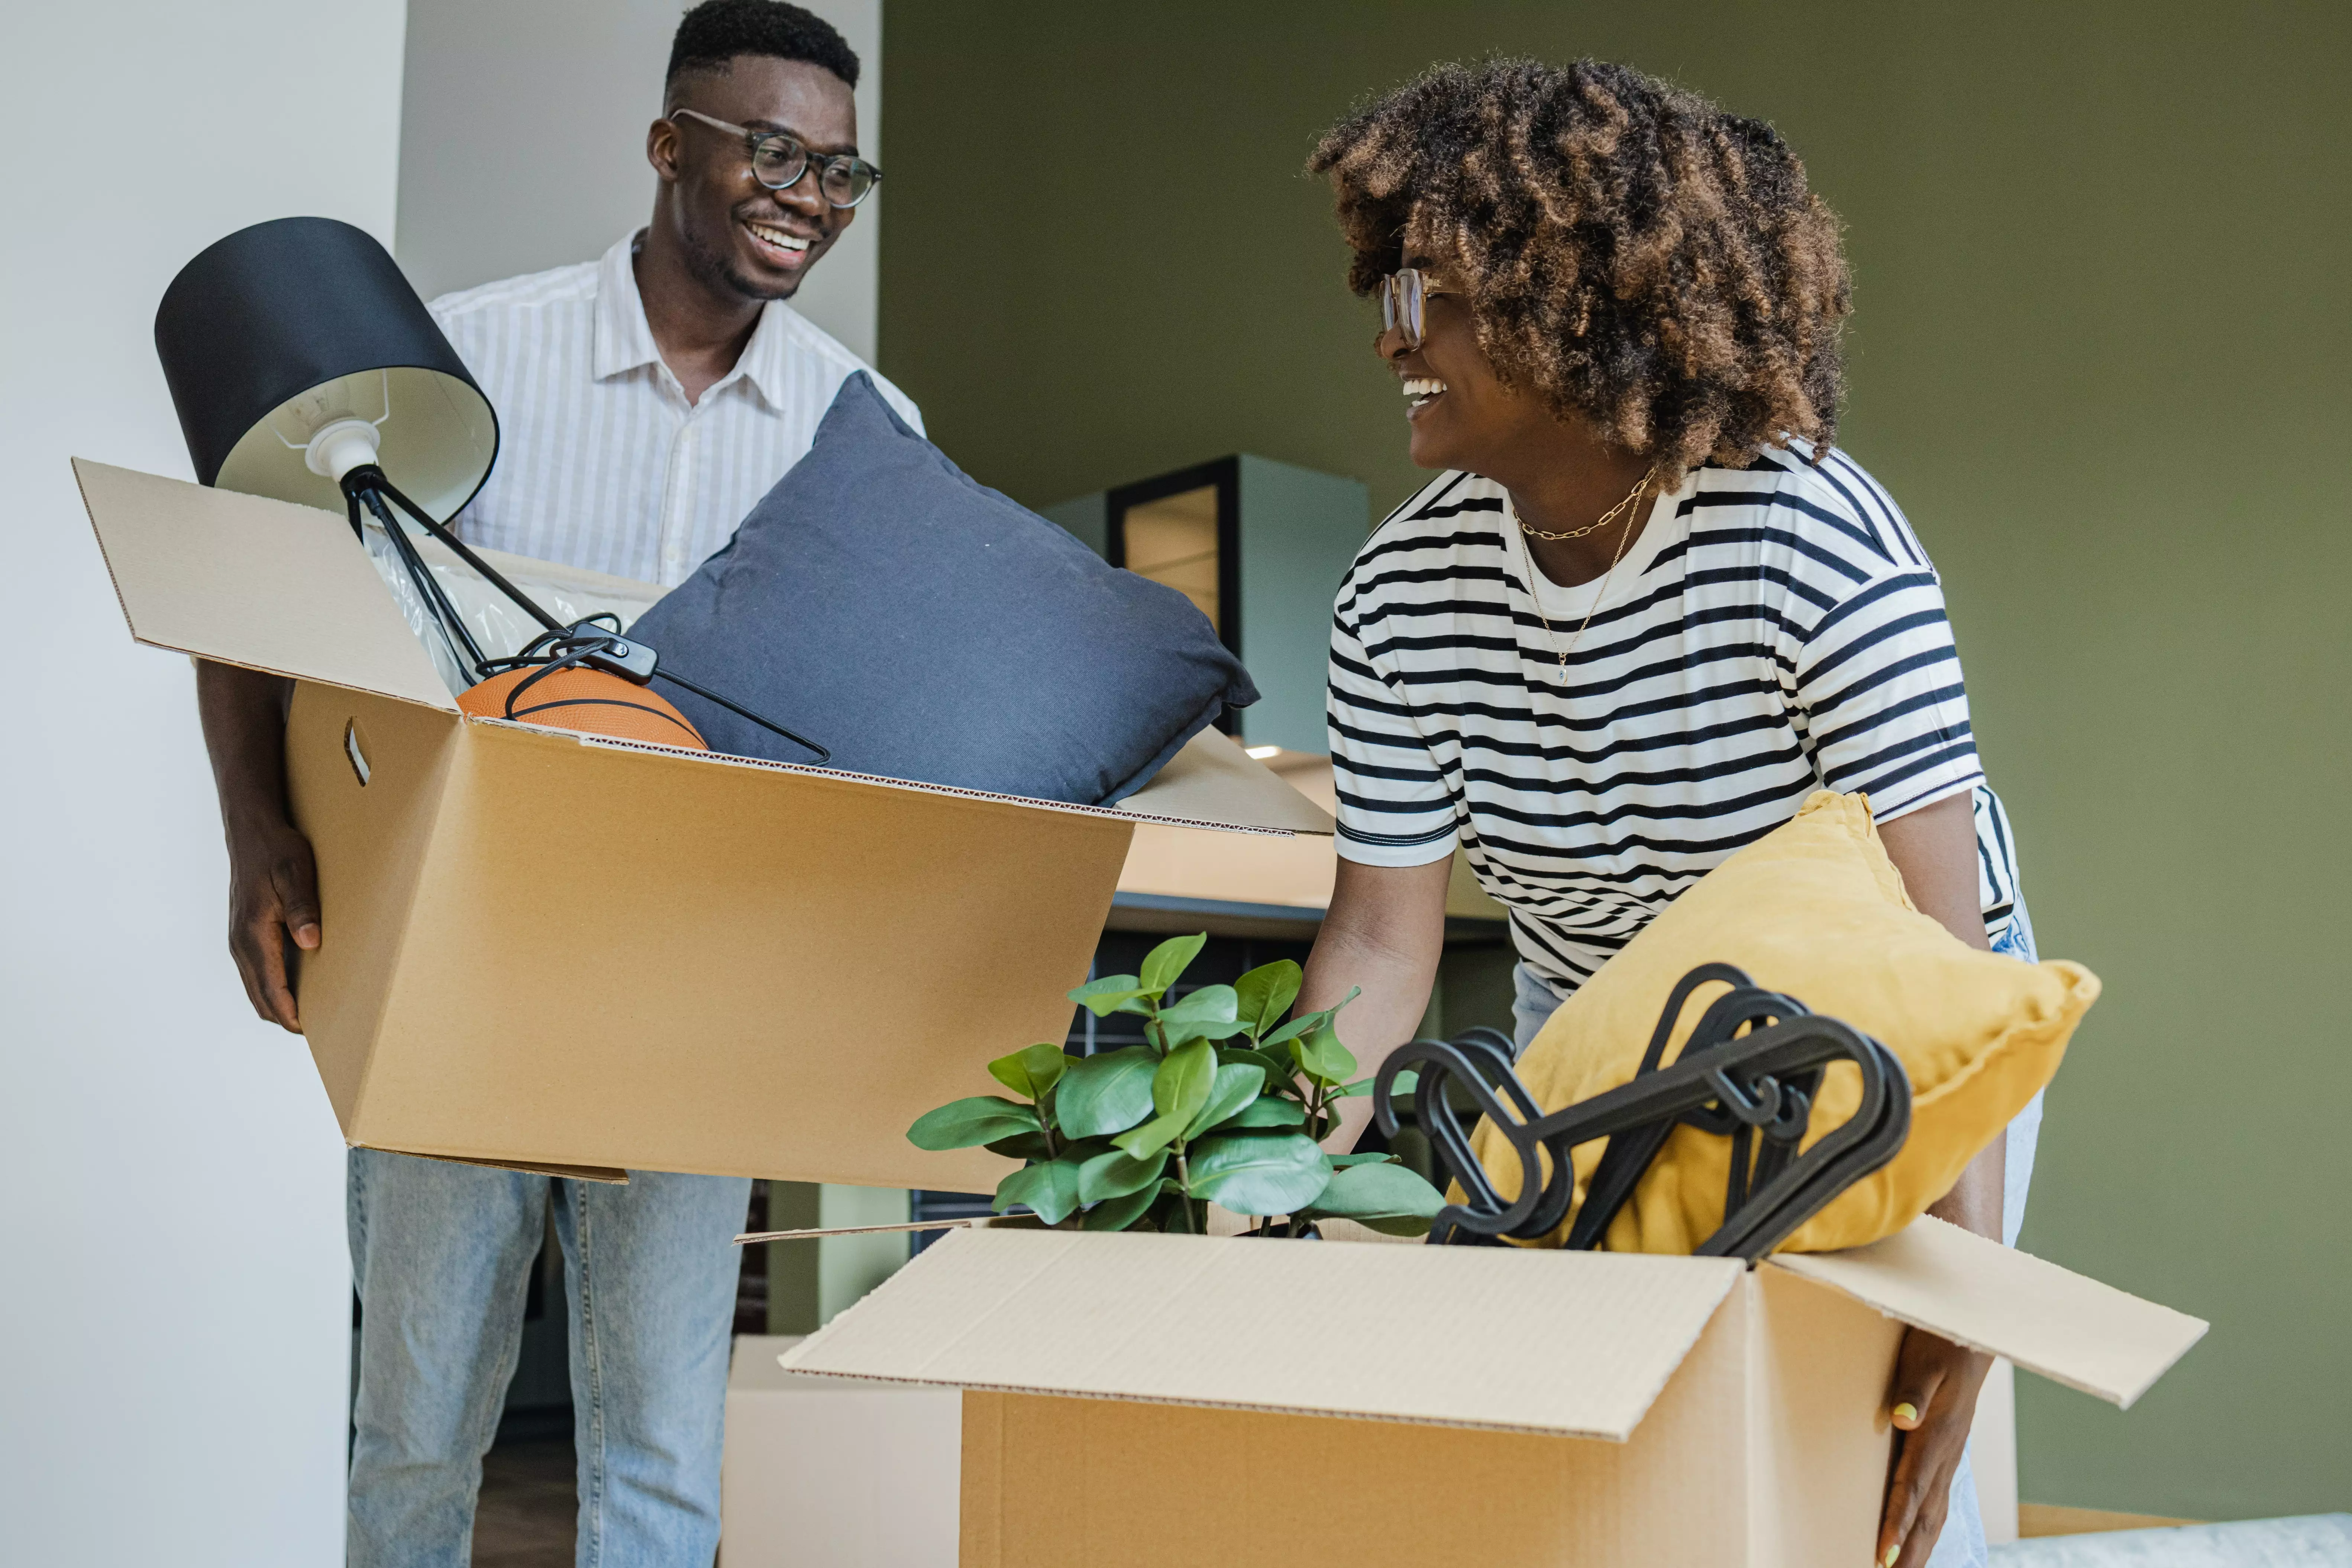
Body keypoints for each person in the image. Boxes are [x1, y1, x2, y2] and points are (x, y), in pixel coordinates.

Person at [192, 3, 918, 1562]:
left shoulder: (872, 435)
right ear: (670, 146)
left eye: (844, 174)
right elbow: (260, 582)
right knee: (411, 1439)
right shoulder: (457, 352)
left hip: (699, 997)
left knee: (662, 1459)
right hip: (459, 960)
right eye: (775, 152)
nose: (811, 196)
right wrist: (258, 838)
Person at [1298, 59, 2040, 1568]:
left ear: (1572, 300)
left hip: (1872, 1037)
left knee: (1872, 1484)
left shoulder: (1813, 542)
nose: (1394, 340)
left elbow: (1941, 963)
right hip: (1603, 1031)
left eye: (1432, 293)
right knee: (1592, 1455)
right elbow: (1379, 942)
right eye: (1390, 292)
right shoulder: (1393, 599)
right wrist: (1267, 1194)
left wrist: (1956, 1326)